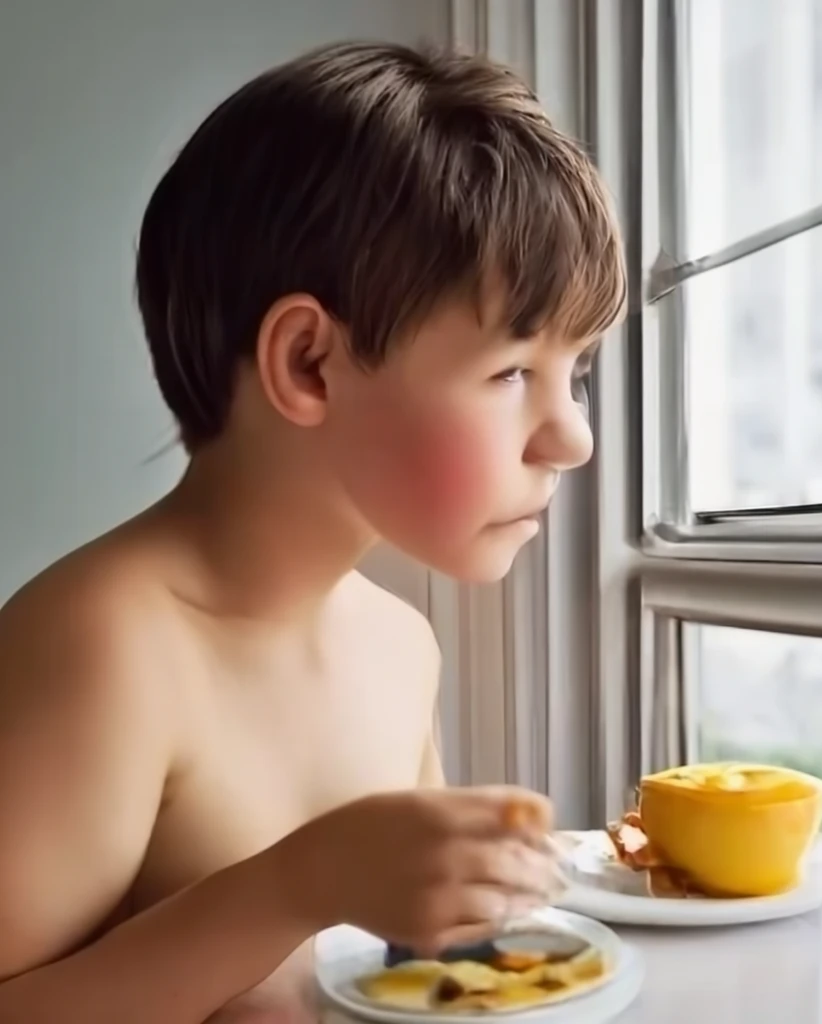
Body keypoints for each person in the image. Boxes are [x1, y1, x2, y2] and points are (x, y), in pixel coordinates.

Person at [0, 39, 625, 1023]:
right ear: (308, 365)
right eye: (512, 372)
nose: (574, 437)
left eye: (575, 373)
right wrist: (295, 883)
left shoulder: (400, 646)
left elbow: (407, 973)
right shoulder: (106, 645)